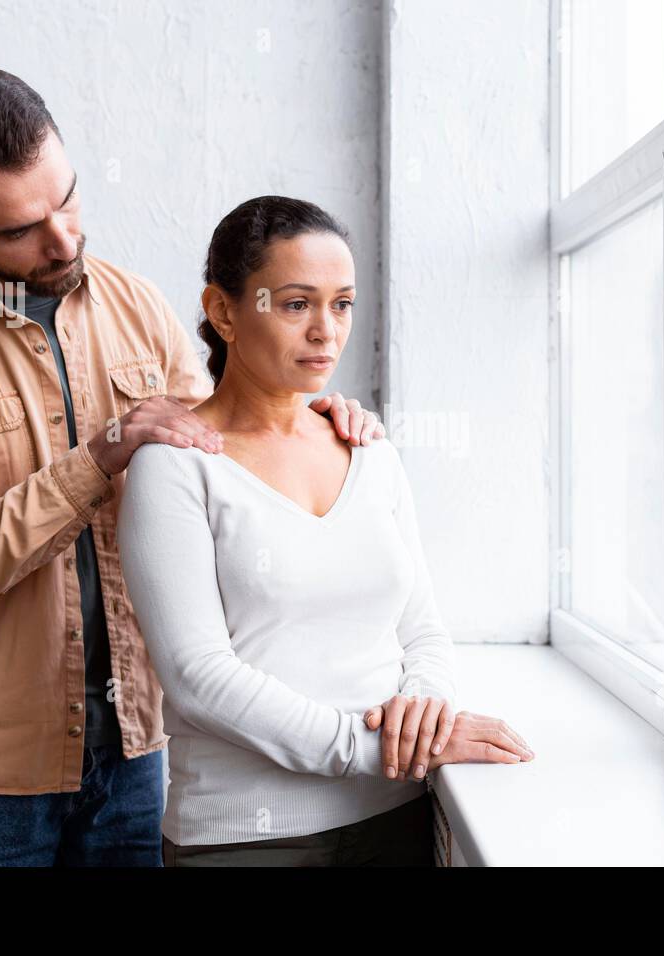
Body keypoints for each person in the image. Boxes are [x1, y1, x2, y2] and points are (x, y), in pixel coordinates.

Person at [0, 69, 384, 866]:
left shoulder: (135, 304)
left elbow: (226, 460)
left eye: (66, 199)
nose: (62, 240)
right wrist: (101, 454)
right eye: (19, 230)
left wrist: (313, 424)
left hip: (138, 756)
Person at [117, 196, 534, 866]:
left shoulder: (369, 449)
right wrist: (369, 749)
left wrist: (422, 717)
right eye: (294, 304)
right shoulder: (174, 468)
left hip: (401, 815)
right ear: (225, 311)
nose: (325, 331)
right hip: (248, 839)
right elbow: (198, 675)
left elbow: (421, 629)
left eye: (342, 304)